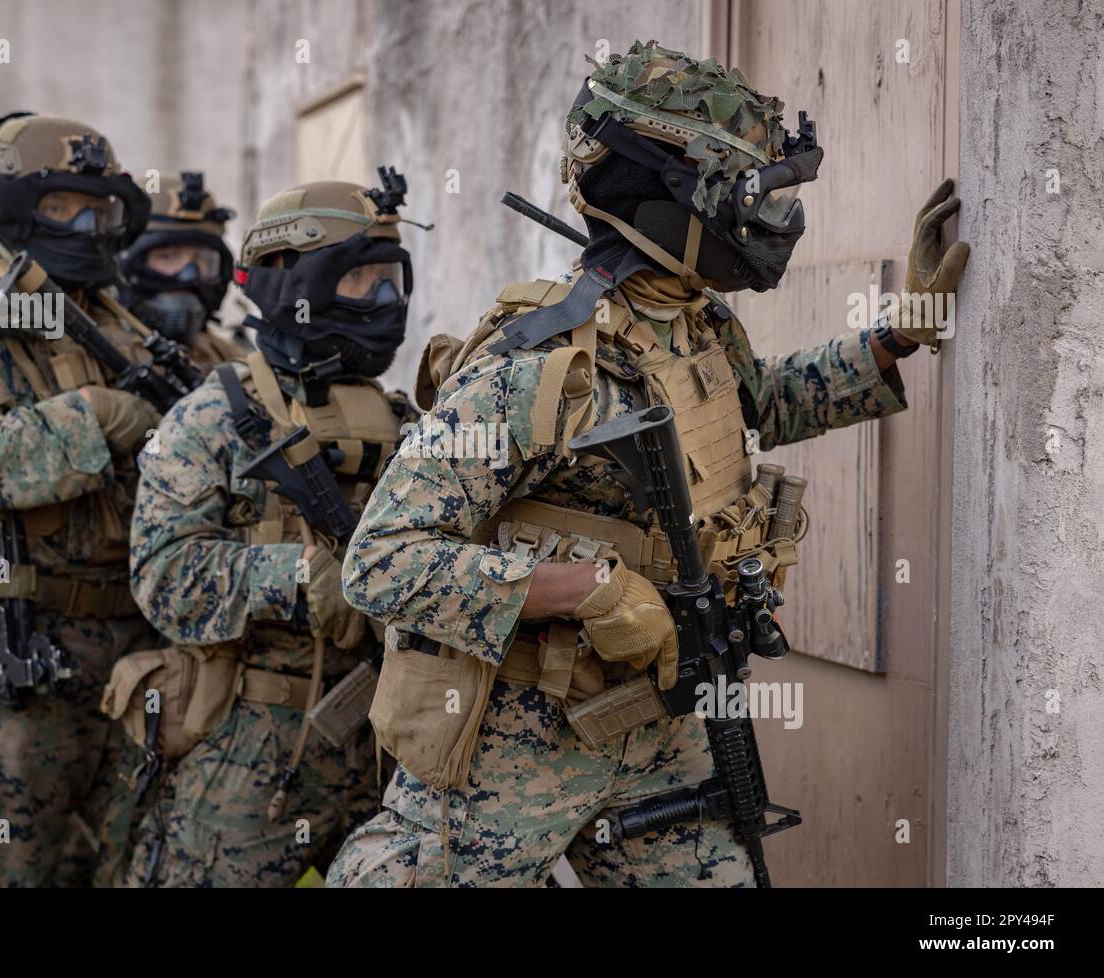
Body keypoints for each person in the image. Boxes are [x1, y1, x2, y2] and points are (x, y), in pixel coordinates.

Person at [326, 42, 969, 887]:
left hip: (667, 726)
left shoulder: (693, 322)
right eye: (749, 195)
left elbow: (764, 405)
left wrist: (899, 334)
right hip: (519, 747)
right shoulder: (535, 364)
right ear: (669, 195)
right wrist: (590, 589)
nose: (768, 220)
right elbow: (380, 560)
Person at [116, 172, 419, 886]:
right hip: (247, 742)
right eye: (359, 279)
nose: (382, 301)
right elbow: (160, 574)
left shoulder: (408, 425)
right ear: (295, 282)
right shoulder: (209, 418)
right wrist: (297, 579)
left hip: (387, 738)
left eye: (391, 280)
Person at [0, 112, 172, 886]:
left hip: (140, 654)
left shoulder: (129, 333)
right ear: (14, 209)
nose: (88, 225)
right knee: (8, 867)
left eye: (100, 208)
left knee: (130, 865)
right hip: (20, 661)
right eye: (63, 207)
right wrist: (94, 420)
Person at [116, 170, 250, 368]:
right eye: (167, 256)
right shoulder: (90, 352)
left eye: (202, 259)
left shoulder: (233, 359)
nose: (189, 275)